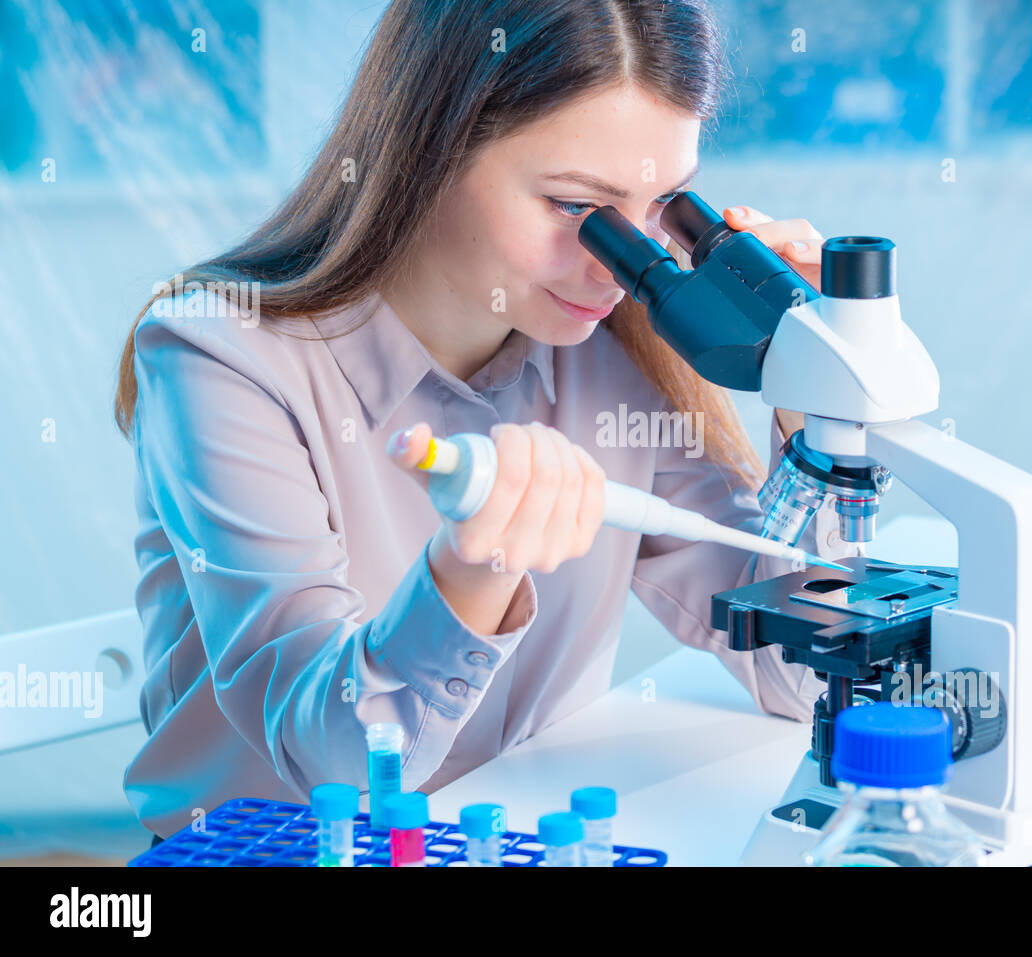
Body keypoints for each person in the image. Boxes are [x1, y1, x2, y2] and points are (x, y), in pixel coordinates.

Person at [114, 0, 840, 842]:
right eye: (575, 205)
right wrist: (470, 573)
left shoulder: (613, 357)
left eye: (667, 203)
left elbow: (803, 677)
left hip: (510, 841)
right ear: (429, 151)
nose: (622, 266)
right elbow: (335, 763)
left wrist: (816, 404)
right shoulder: (220, 357)